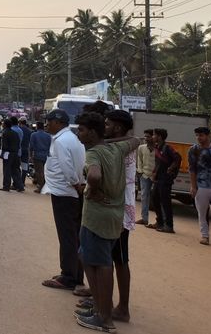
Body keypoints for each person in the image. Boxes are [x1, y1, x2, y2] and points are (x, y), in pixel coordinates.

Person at [72, 111, 140, 333]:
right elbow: (135, 140)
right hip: (113, 214)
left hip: (97, 217)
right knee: (90, 257)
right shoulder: (116, 148)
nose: (78, 133)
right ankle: (101, 309)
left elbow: (93, 176)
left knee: (101, 264)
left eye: (81, 129)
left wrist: (92, 189)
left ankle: (105, 318)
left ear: (92, 132)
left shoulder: (94, 153)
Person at [41, 108, 86, 292]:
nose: (46, 124)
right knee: (74, 236)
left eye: (49, 121)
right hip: (70, 192)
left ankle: (68, 276)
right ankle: (75, 274)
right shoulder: (71, 139)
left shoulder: (61, 141)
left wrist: (75, 183)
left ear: (58, 122)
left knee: (67, 236)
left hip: (65, 193)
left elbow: (68, 168)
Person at [149, 128, 180, 234]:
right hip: (158, 178)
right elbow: (158, 163)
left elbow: (178, 158)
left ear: (160, 137)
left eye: (154, 135)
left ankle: (169, 226)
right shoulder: (157, 147)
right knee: (154, 199)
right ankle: (160, 222)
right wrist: (154, 172)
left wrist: (171, 168)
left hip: (165, 179)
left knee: (165, 202)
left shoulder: (168, 148)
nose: (152, 137)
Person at [135, 129, 155, 225]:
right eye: (145, 136)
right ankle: (144, 218)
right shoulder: (141, 148)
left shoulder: (158, 148)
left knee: (157, 198)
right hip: (145, 175)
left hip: (156, 176)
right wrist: (140, 171)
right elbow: (139, 159)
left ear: (153, 137)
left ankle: (159, 221)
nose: (146, 138)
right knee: (144, 196)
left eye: (148, 136)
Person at [0, 116, 23, 192]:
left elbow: (4, 145)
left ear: (5, 125)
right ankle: (20, 186)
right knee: (16, 170)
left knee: (7, 170)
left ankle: (6, 186)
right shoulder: (15, 133)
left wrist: (2, 154)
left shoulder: (5, 133)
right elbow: (19, 144)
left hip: (8, 153)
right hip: (16, 153)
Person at [30, 122, 51, 193]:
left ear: (37, 127)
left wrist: (30, 155)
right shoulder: (48, 136)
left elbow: (31, 146)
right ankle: (44, 186)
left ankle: (40, 187)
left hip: (37, 155)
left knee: (39, 172)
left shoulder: (34, 135)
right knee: (44, 172)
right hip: (46, 156)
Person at [19, 117, 33, 182]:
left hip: (19, 150)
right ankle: (22, 181)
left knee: (17, 166)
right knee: (24, 167)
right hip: (26, 150)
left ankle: (17, 182)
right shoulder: (30, 131)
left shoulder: (19, 130)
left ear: (20, 122)